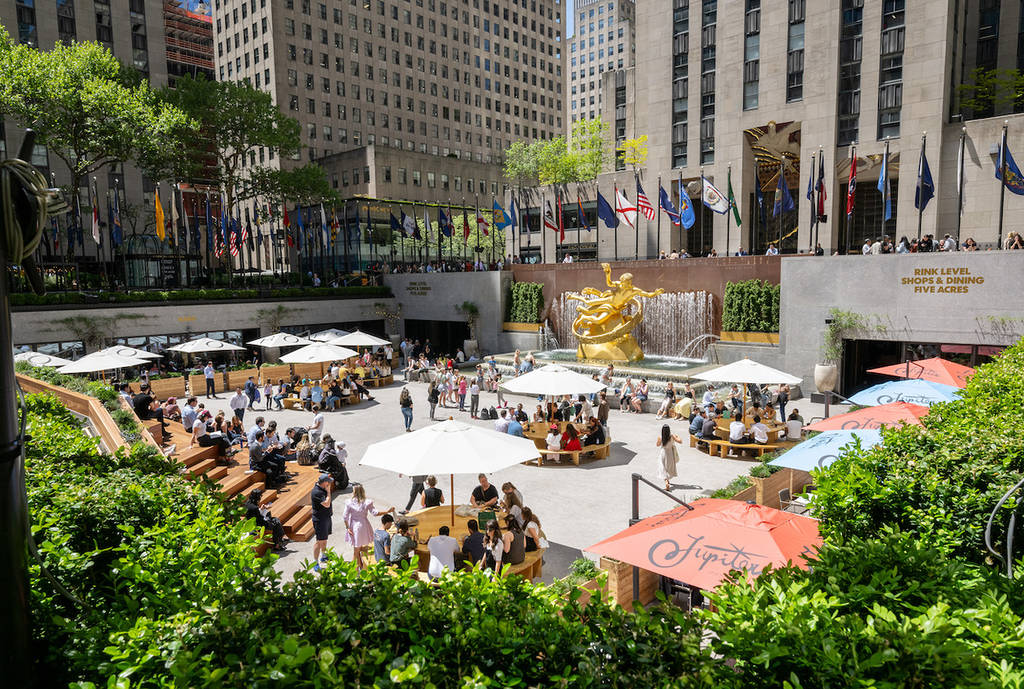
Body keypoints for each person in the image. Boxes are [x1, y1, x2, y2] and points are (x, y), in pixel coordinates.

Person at [344, 484, 395, 570]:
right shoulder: (367, 502)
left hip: (354, 526)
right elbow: (375, 513)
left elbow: (345, 516)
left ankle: (354, 571)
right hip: (364, 525)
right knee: (358, 548)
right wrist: (387, 511)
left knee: (356, 550)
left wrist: (347, 527)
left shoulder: (349, 502)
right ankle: (359, 566)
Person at [310, 473, 334, 570]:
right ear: (324, 483)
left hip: (326, 517)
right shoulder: (317, 492)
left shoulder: (322, 489)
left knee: (324, 539)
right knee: (319, 541)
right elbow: (327, 504)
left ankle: (324, 556)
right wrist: (328, 492)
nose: (330, 484)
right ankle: (315, 562)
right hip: (320, 520)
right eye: (328, 482)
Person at [656, 424, 682, 491]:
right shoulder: (672, 436)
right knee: (669, 467)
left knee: (663, 467)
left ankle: (666, 481)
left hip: (663, 453)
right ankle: (667, 480)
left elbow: (657, 445)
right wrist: (677, 436)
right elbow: (680, 441)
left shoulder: (660, 437)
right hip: (670, 453)